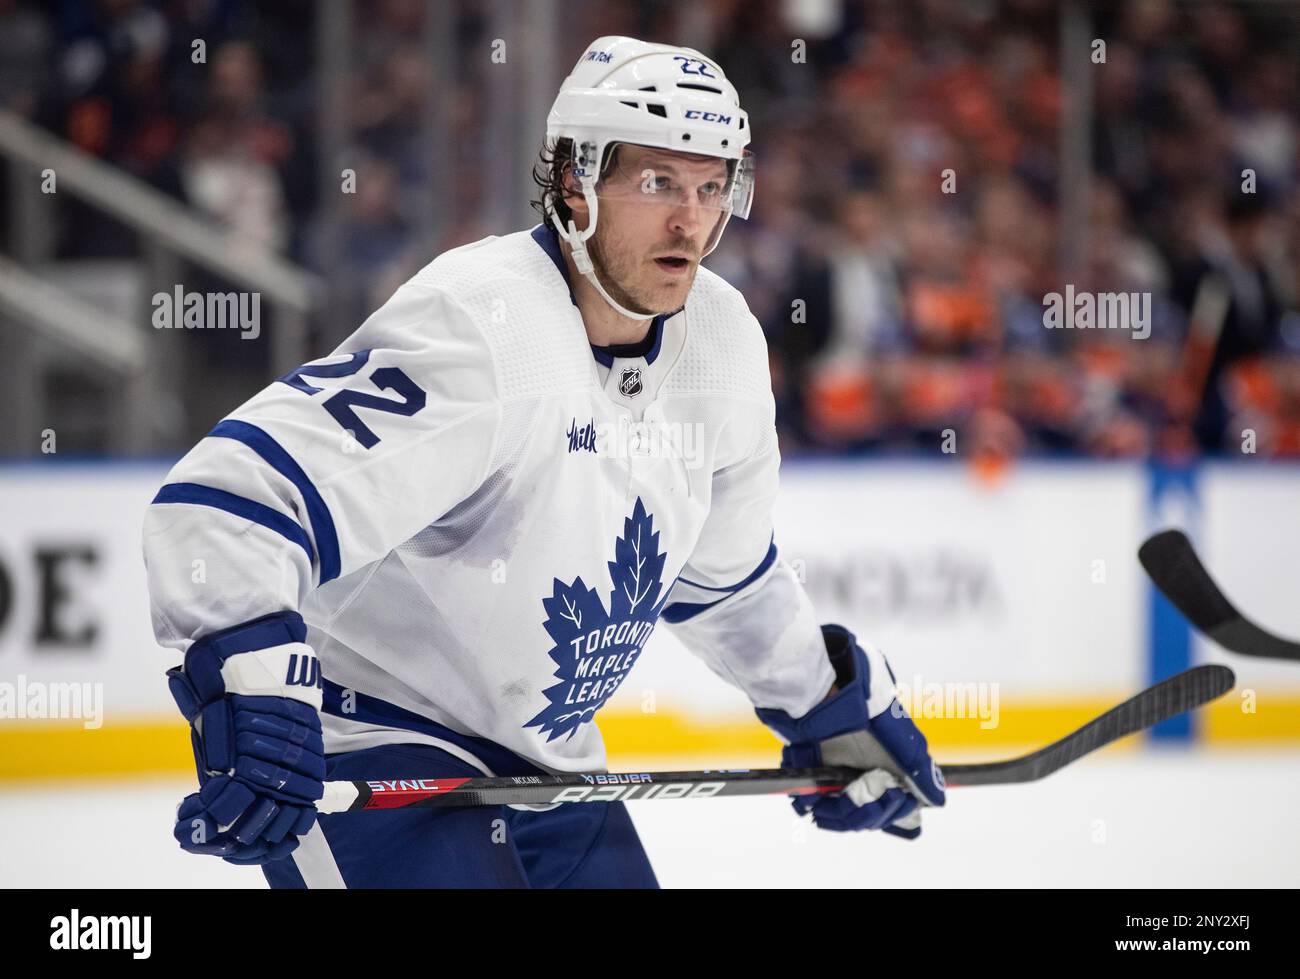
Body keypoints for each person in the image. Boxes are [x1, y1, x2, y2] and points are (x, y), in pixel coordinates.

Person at [143, 36, 945, 889]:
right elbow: (226, 503)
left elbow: (726, 580)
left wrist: (827, 699)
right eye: (657, 183)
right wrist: (255, 691)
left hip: (548, 767)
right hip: (376, 739)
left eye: (712, 186)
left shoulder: (725, 344)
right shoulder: (481, 325)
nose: (691, 220)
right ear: (575, 182)